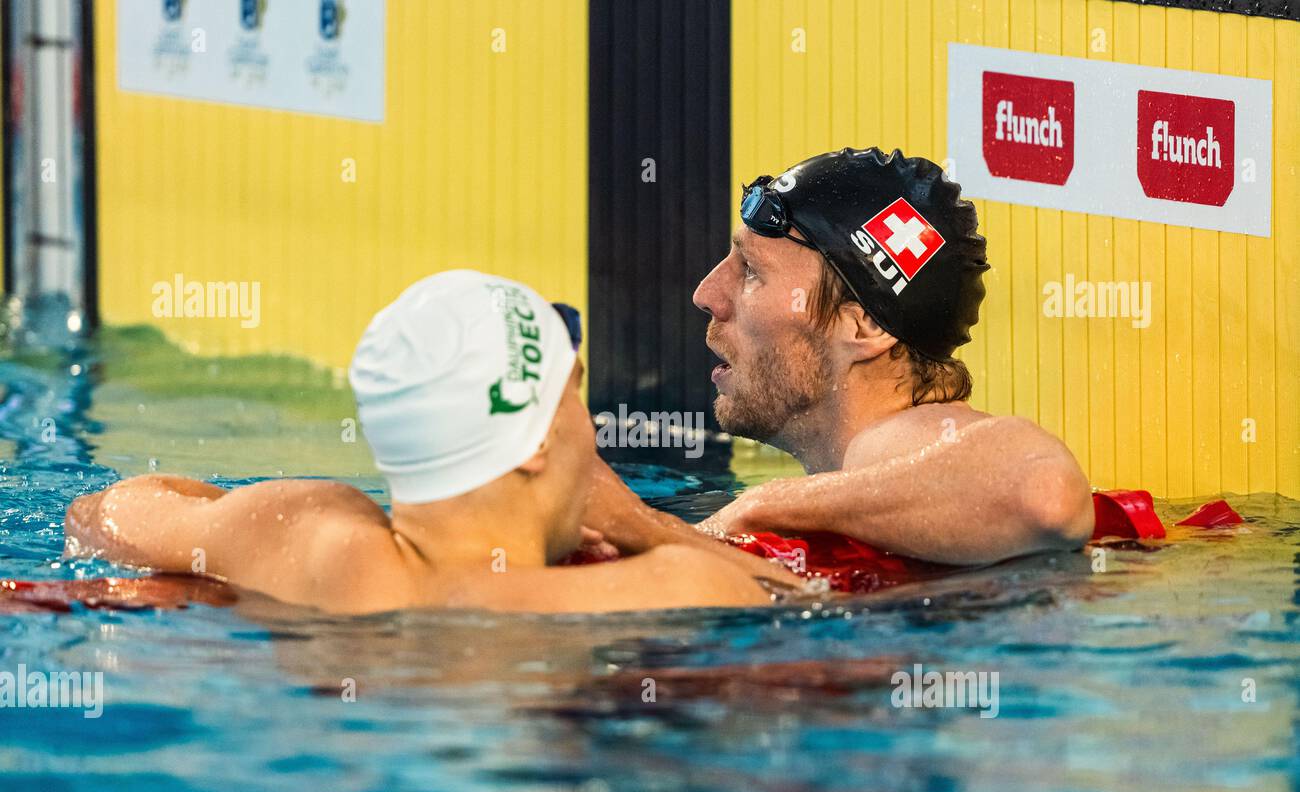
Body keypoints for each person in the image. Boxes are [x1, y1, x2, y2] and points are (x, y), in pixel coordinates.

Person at [63, 271, 802, 615]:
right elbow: (809, 605)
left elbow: (101, 515)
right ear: (537, 439)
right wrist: (643, 525)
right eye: (571, 392)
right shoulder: (669, 585)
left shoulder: (312, 537)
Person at [690, 147, 1094, 565]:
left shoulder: (889, 442)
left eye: (752, 271)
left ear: (865, 327)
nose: (706, 295)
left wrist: (762, 506)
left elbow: (1045, 491)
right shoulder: (874, 481)